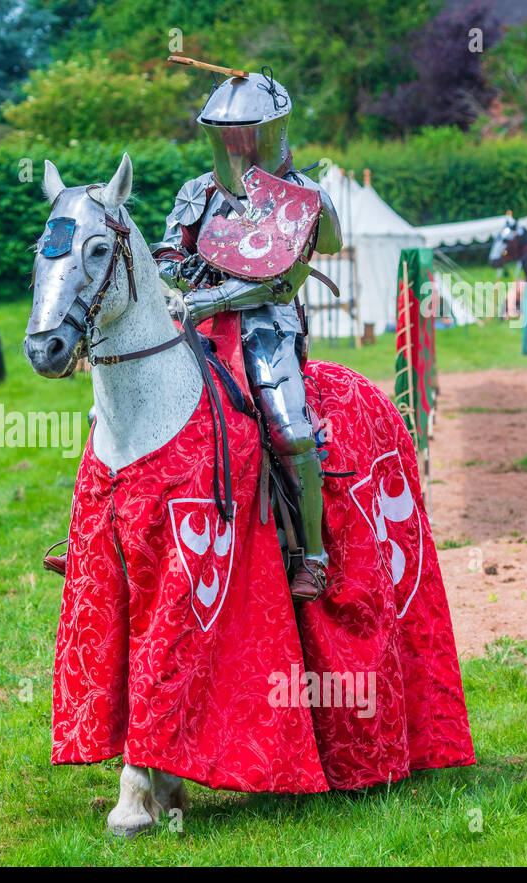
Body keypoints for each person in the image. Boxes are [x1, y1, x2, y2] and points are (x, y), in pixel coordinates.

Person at [152, 64, 342, 601]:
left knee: (290, 428)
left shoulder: (302, 195)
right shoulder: (198, 190)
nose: (236, 144)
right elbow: (170, 250)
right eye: (226, 134)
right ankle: (107, 528)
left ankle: (314, 556)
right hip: (194, 320)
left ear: (273, 130)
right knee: (124, 400)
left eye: (245, 133)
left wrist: (210, 297)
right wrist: (177, 270)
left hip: (265, 323)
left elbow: (286, 273)